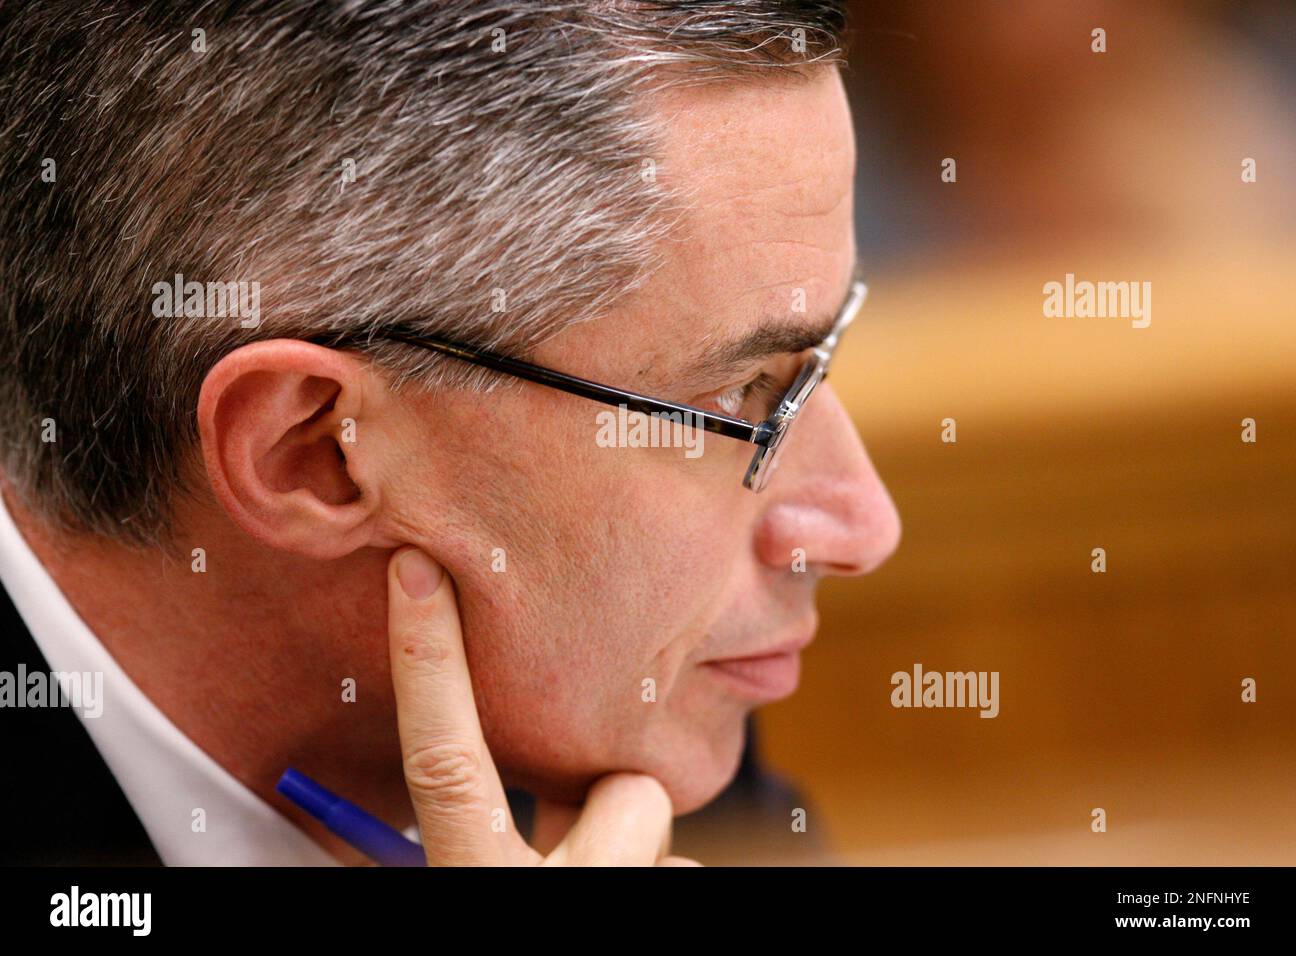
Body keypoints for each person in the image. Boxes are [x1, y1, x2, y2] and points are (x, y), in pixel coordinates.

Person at [0, 0, 900, 865]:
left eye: (817, 358)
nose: (865, 526)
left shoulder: (632, 727)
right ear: (315, 454)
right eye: (743, 394)